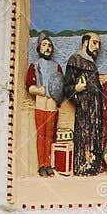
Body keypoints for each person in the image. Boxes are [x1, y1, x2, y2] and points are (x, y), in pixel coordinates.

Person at [63, 32, 106, 176]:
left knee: (95, 136)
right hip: (84, 107)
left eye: (99, 44)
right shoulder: (75, 60)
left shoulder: (91, 62)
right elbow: (67, 87)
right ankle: (82, 166)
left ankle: (94, 165)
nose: (97, 47)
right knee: (85, 136)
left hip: (96, 108)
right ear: (85, 43)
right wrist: (76, 88)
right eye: (94, 43)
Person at [25, 33, 64, 176]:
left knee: (50, 134)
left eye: (49, 46)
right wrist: (37, 89)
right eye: (44, 45)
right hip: (41, 102)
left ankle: (48, 163)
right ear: (39, 47)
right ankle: (41, 164)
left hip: (52, 103)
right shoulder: (34, 66)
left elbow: (60, 85)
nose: (47, 48)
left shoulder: (57, 67)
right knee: (41, 134)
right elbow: (30, 85)